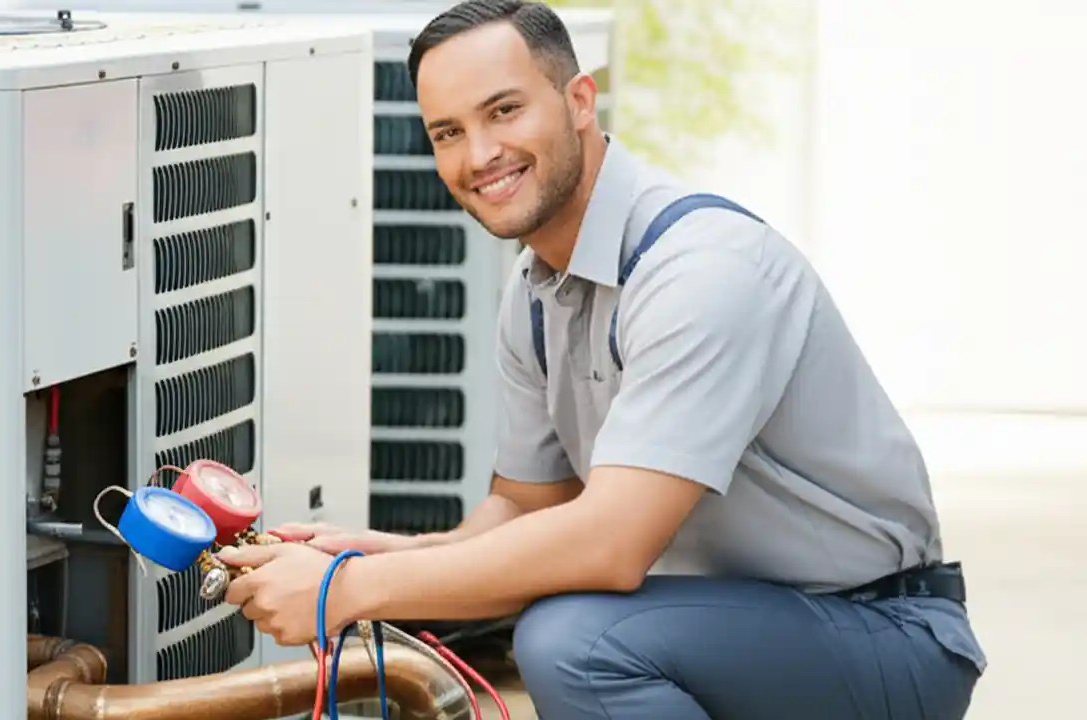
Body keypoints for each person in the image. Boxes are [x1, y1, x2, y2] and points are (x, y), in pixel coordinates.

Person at [218, 1, 986, 717]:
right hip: (737, 621)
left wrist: (347, 590)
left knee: (573, 642)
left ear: (580, 101)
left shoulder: (701, 269)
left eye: (504, 110)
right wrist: (389, 553)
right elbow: (528, 511)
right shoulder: (533, 290)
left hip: (882, 630)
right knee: (566, 627)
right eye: (447, 131)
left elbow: (610, 546)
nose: (479, 154)